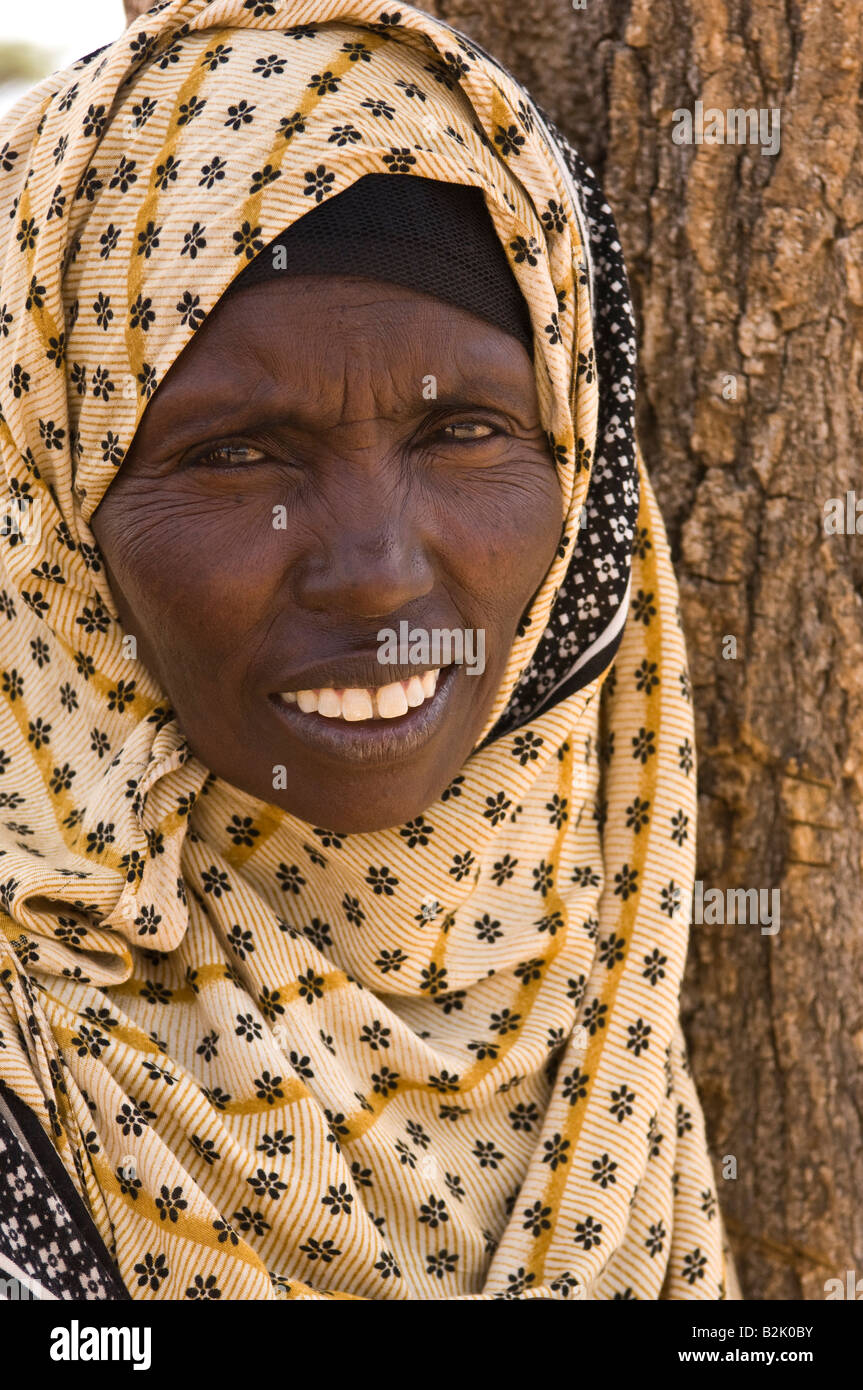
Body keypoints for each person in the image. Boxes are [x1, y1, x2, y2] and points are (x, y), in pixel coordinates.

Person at [0, 0, 739, 1300]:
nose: (380, 570)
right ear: (50, 513)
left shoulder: (605, 983)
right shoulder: (39, 1055)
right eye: (236, 454)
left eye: (462, 433)